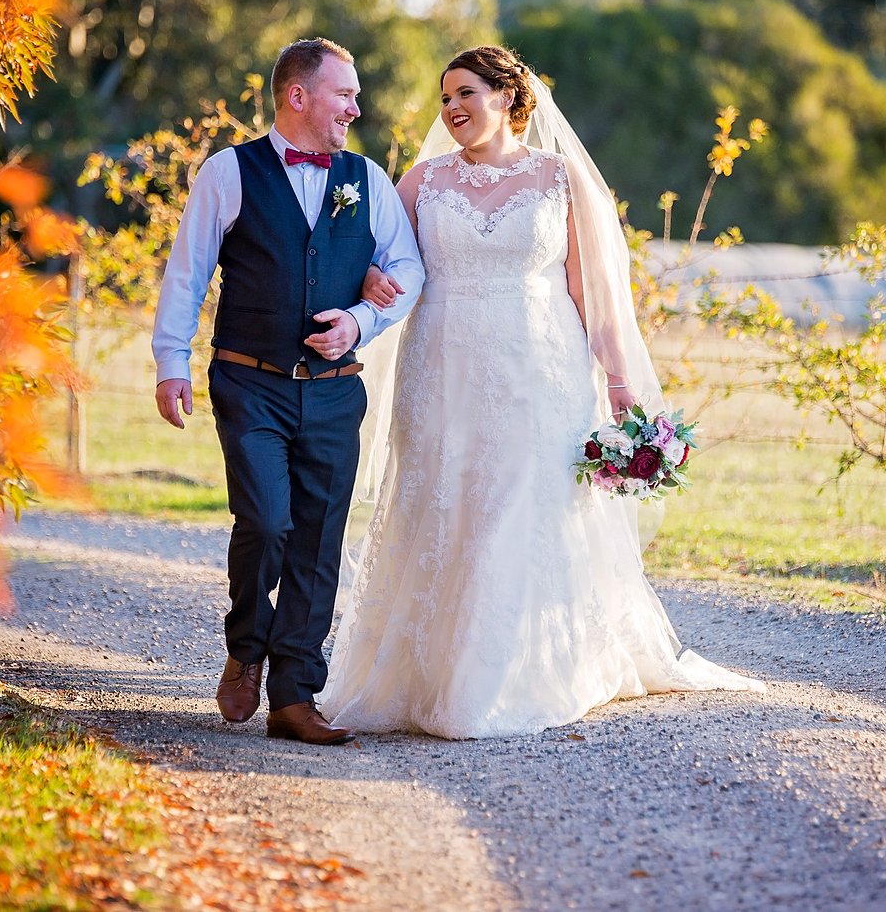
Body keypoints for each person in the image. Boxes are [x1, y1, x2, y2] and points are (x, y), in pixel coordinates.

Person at [320, 46, 763, 740]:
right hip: (440, 370)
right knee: (447, 501)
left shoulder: (560, 179)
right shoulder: (423, 181)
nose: (452, 109)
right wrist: (371, 283)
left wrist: (617, 381)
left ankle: (493, 680)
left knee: (517, 507)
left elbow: (593, 292)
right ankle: (424, 675)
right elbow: (376, 261)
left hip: (539, 369)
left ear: (507, 96)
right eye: (444, 99)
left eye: (465, 92)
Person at [151, 37, 423, 745]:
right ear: (298, 96)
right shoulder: (228, 172)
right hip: (251, 382)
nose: (355, 108)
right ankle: (247, 645)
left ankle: (296, 695)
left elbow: (409, 270)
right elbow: (188, 273)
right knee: (268, 522)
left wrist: (361, 322)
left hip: (336, 391)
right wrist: (170, 361)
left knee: (319, 542)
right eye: (344, 94)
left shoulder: (367, 178)